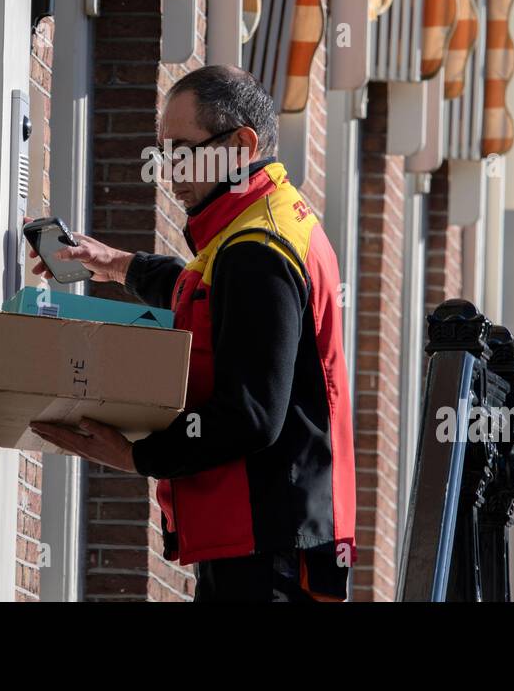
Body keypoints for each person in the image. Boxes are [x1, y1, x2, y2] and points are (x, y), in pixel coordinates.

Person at [29, 65, 356, 602]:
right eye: (161, 156)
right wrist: (114, 264)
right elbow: (203, 296)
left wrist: (136, 456)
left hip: (263, 549)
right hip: (275, 539)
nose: (168, 171)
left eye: (181, 151)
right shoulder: (260, 226)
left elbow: (249, 415)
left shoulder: (257, 249)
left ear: (242, 144)